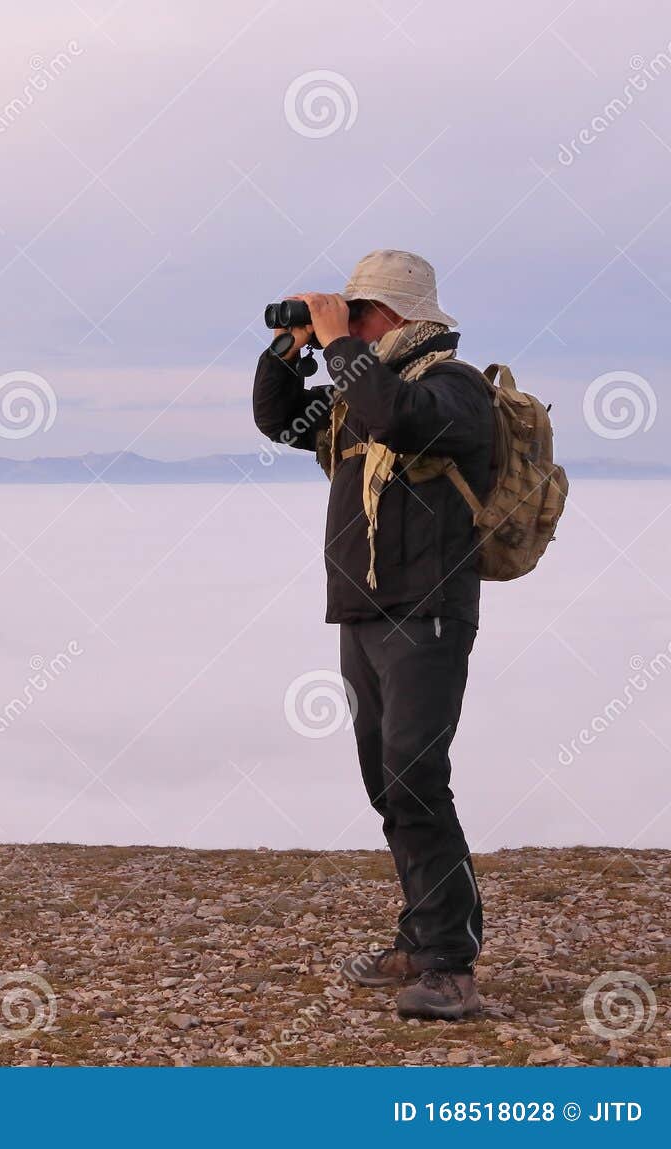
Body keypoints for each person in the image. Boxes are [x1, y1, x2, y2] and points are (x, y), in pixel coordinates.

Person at [252, 249, 494, 1020]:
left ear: (395, 317)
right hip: (363, 612)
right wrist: (286, 352)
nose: (346, 326)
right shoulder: (365, 390)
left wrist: (339, 347)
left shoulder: (454, 389)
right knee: (389, 785)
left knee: (416, 779)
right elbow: (278, 421)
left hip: (427, 610)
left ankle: (451, 966)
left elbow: (401, 416)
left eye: (359, 313)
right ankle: (422, 937)